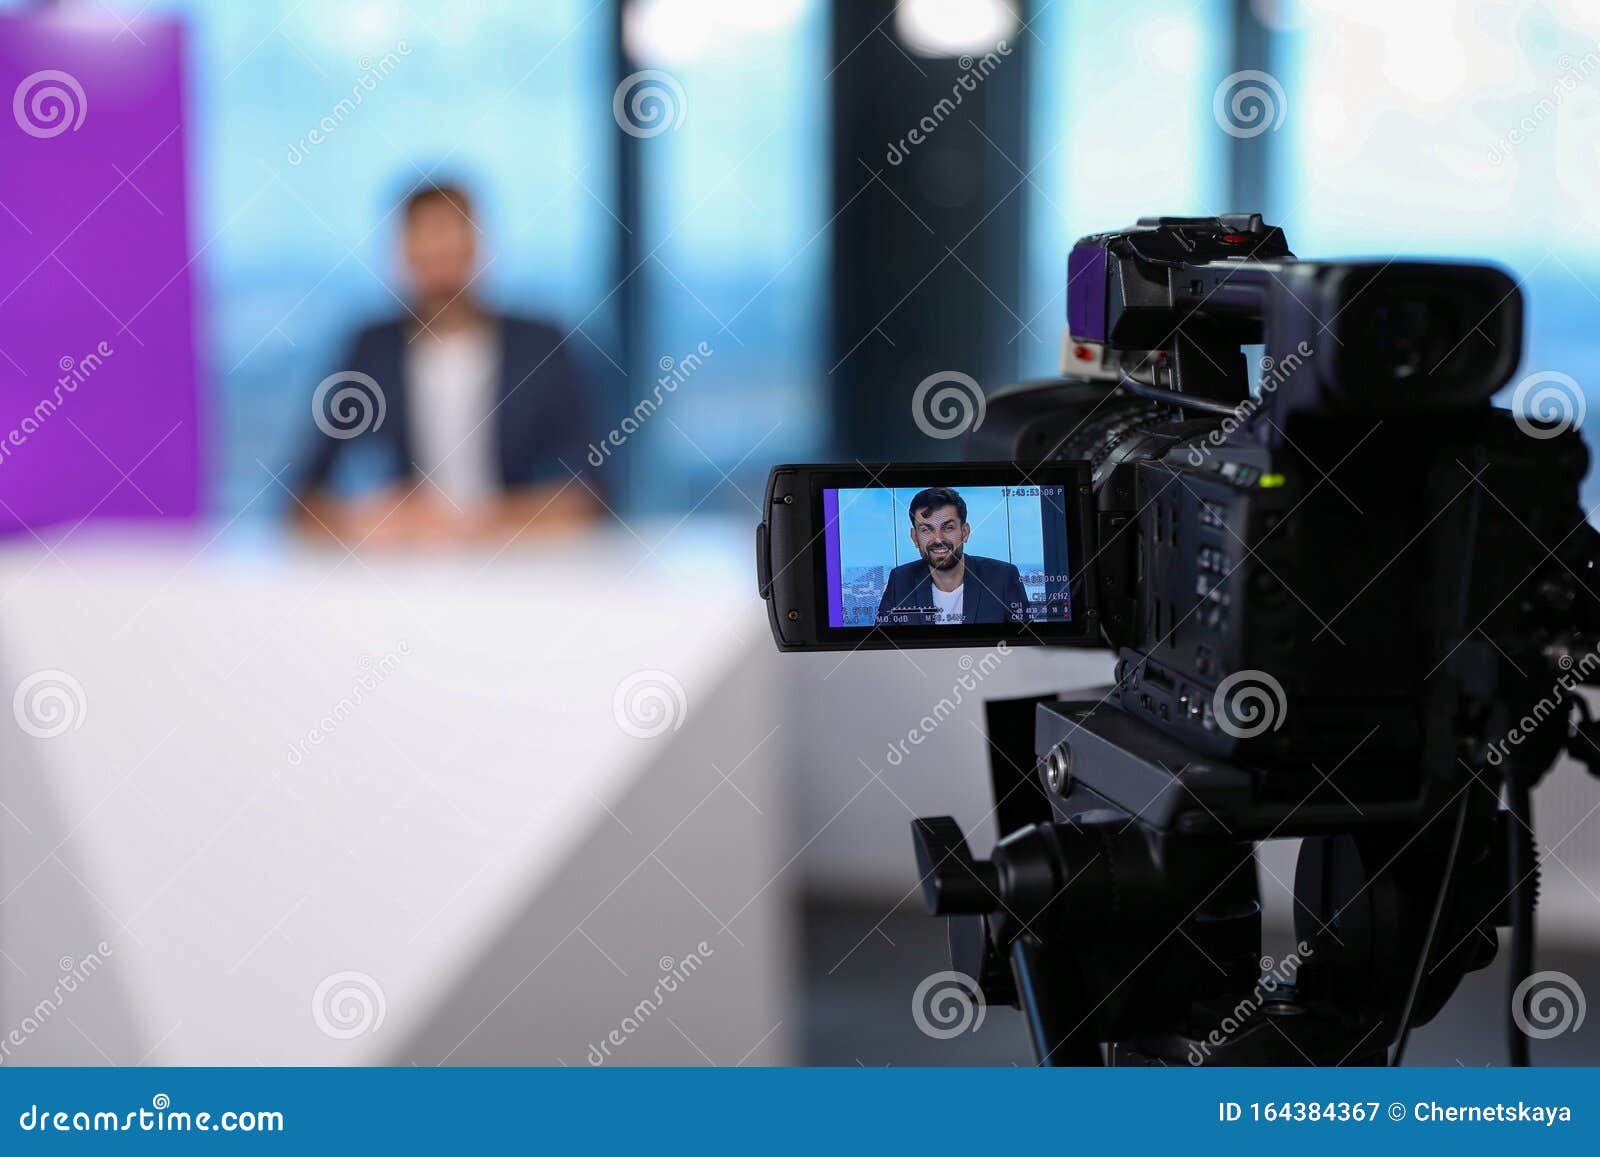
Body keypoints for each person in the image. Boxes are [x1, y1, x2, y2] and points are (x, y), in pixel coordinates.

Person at [291, 182, 600, 546]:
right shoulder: (372, 348)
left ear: (478, 247)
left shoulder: (540, 345)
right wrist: (369, 516)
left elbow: (589, 493)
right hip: (407, 565)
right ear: (402, 254)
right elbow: (304, 500)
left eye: (451, 238)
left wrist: (480, 519)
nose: (439, 257)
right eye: (425, 241)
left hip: (520, 562)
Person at [875, 487, 1028, 625]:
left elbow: (1025, 645)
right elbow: (881, 648)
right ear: (915, 537)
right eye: (926, 530)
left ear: (965, 532)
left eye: (948, 528)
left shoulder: (1004, 577)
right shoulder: (899, 580)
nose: (938, 539)